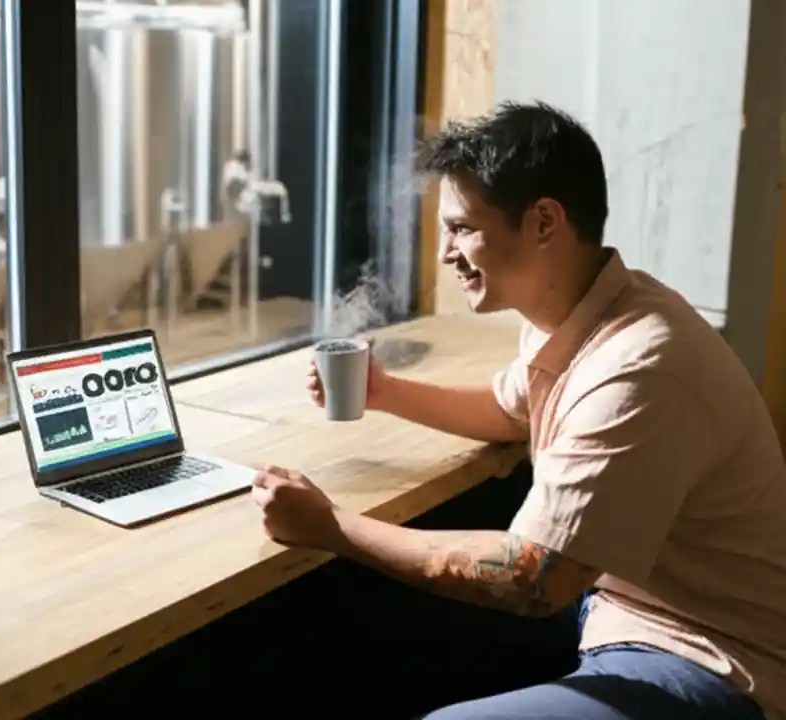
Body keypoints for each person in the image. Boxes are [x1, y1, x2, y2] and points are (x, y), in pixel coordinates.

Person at [251, 101, 786, 719]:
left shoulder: (640, 362)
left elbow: (536, 580)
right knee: (358, 620)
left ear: (544, 222)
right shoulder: (576, 314)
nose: (447, 251)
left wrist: (330, 525)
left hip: (707, 659)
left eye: (462, 228)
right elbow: (511, 410)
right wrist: (384, 392)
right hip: (606, 605)